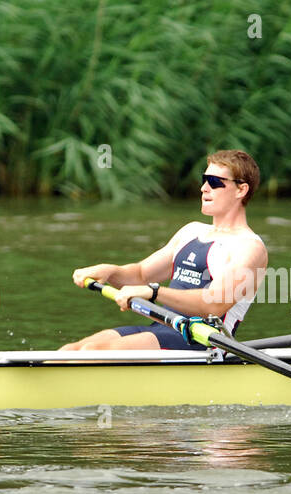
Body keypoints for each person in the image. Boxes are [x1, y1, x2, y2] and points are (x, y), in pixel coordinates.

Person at [62, 150, 268, 351]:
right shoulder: (191, 231)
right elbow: (141, 274)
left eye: (215, 182)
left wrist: (154, 292)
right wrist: (110, 271)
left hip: (203, 343)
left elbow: (214, 304)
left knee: (94, 352)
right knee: (71, 350)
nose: (204, 188)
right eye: (204, 180)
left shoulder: (249, 248)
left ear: (241, 190)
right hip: (162, 329)